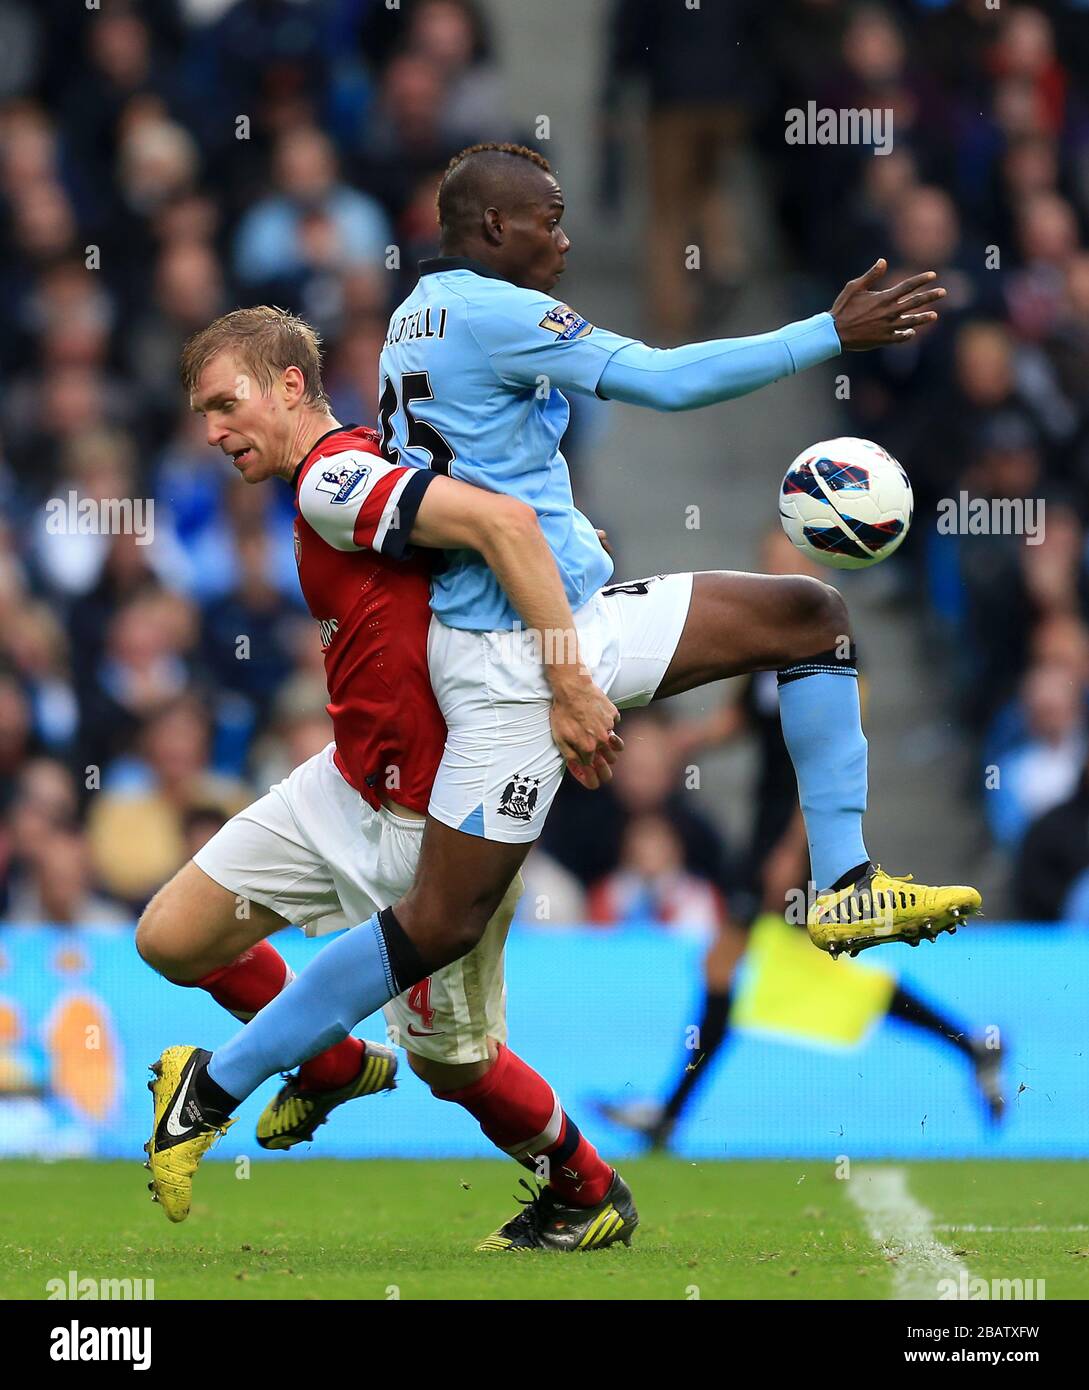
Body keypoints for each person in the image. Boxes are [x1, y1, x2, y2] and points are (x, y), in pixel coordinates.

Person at [148, 143, 981, 1217]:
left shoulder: (419, 315)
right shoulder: (488, 317)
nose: (567, 236)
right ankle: (216, 1087)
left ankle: (848, 883)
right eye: (548, 216)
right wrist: (827, 333)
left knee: (809, 617)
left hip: (575, 617)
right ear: (495, 231)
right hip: (509, 660)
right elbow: (666, 384)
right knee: (437, 928)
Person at [139, 306, 634, 1252]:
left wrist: (567, 652)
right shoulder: (346, 477)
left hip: (433, 822)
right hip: (347, 779)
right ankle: (325, 1066)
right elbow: (469, 515)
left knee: (455, 1065)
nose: (212, 432)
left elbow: (494, 521)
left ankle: (587, 1187)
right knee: (171, 938)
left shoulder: (341, 471)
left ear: (290, 386)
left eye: (224, 403)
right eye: (201, 415)